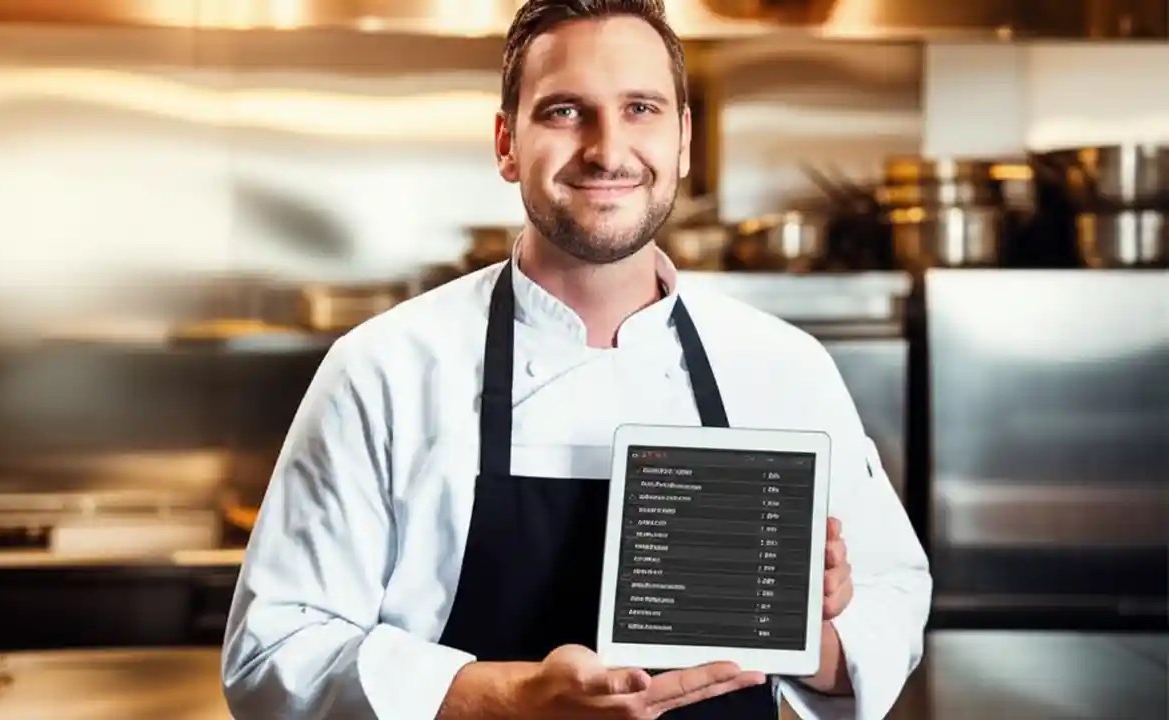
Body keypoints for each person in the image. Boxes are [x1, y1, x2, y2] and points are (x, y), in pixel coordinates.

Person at [221, 0, 931, 717]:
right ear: (506, 142)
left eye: (641, 108)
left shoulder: (782, 368)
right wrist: (511, 698)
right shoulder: (384, 370)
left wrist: (809, 632)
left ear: (683, 140)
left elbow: (891, 599)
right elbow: (273, 652)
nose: (607, 149)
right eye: (565, 111)